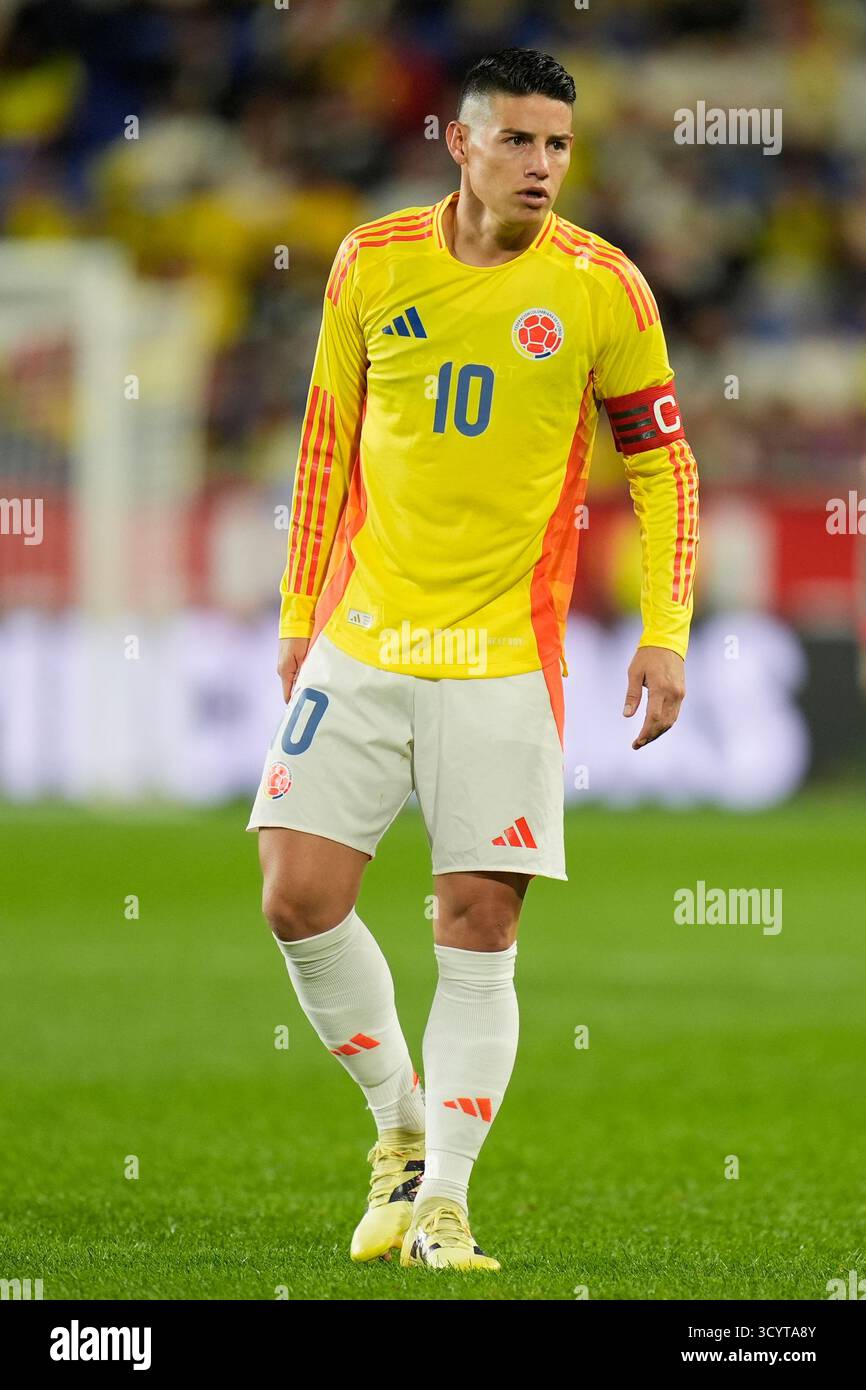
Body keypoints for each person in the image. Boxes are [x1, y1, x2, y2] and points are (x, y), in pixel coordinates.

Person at [247, 47, 699, 1272]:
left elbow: (661, 462)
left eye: (558, 144)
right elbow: (324, 444)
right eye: (516, 140)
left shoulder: (601, 288)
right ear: (458, 140)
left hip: (502, 655)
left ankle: (441, 1200)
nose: (541, 165)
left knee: (474, 925)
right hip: (364, 634)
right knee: (295, 894)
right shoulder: (370, 262)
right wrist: (299, 617)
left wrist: (664, 628)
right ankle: (395, 1125)